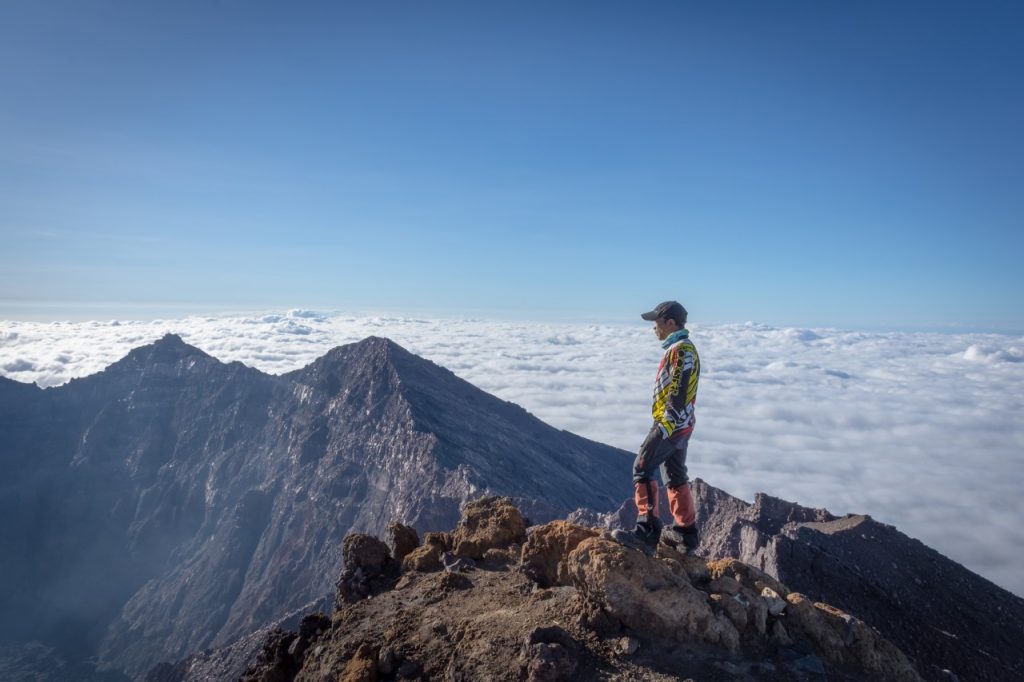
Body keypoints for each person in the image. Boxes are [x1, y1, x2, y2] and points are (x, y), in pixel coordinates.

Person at [613, 300, 701, 553]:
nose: (654, 328)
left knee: (642, 467)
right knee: (675, 475)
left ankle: (647, 532)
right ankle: (685, 533)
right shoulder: (679, 348)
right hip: (681, 424)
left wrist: (664, 427)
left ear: (670, 322)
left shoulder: (682, 350)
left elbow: (678, 391)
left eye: (657, 322)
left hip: (671, 425)